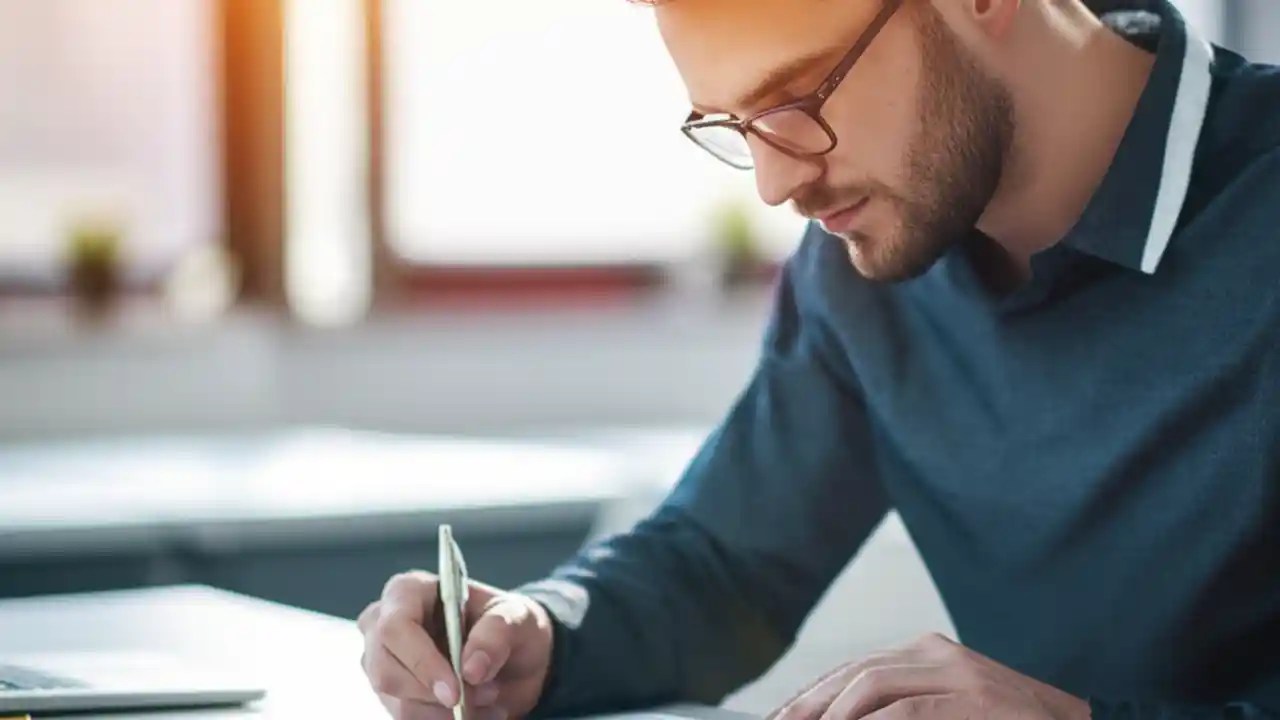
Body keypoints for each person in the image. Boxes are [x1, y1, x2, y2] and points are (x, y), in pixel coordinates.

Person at [359, 0, 1280, 717]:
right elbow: (724, 563)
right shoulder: (869, 263)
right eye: (735, 125)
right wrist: (534, 635)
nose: (775, 183)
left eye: (797, 101)